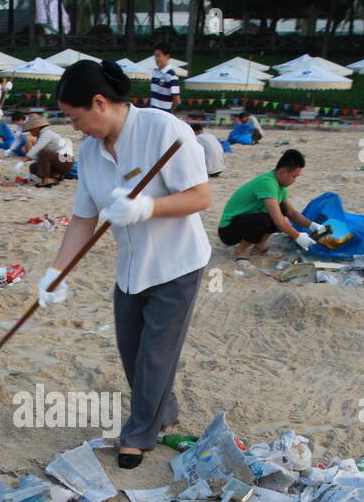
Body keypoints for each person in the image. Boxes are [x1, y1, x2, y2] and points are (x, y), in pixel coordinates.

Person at [39, 60, 211, 470]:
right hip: (132, 268)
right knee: (133, 353)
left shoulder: (163, 130)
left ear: (99, 103)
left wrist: (147, 206)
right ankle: (162, 410)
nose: (74, 127)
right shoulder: (90, 152)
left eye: (75, 117)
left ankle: (139, 434)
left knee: (155, 356)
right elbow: (84, 218)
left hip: (177, 262)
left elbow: (200, 196)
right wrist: (56, 272)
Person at [216, 149, 324, 259]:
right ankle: (241, 252)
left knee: (281, 209)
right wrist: (298, 237)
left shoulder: (280, 185)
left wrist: (313, 226)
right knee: (267, 220)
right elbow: (278, 221)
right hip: (228, 230)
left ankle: (258, 247)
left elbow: (291, 212)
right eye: (294, 176)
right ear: (283, 172)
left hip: (243, 221)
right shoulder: (267, 183)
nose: (294, 180)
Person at [18, 114, 73, 186]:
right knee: (33, 167)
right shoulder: (41, 135)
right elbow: (38, 156)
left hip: (66, 159)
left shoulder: (47, 133)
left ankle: (47, 179)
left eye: (31, 130)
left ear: (36, 128)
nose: (30, 132)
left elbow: (38, 147)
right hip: (58, 160)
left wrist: (25, 159)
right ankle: (55, 176)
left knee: (45, 153)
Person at [149, 43, 180, 112]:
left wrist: (167, 112)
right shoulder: (154, 72)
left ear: (167, 57)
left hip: (164, 115)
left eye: (158, 56)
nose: (156, 59)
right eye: (155, 56)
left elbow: (176, 100)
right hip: (152, 113)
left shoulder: (171, 75)